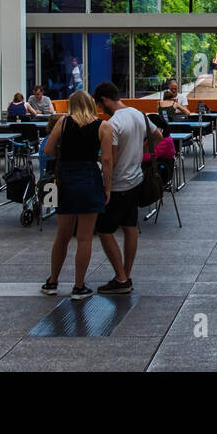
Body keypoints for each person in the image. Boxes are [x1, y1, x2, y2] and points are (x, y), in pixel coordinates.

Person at [41, 91, 114, 300]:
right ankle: (79, 286)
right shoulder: (103, 126)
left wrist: (63, 154)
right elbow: (107, 161)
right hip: (89, 179)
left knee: (62, 236)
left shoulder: (62, 123)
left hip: (65, 179)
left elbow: (47, 149)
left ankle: (52, 281)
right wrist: (107, 187)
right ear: (91, 104)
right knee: (84, 238)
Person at [93, 82, 161, 295]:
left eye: (100, 104)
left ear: (104, 100)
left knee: (104, 231)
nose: (100, 109)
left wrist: (106, 185)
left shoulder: (112, 124)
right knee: (130, 227)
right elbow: (158, 135)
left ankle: (121, 278)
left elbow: (109, 160)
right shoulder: (138, 113)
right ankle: (126, 274)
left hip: (119, 184)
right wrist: (139, 152)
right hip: (137, 180)